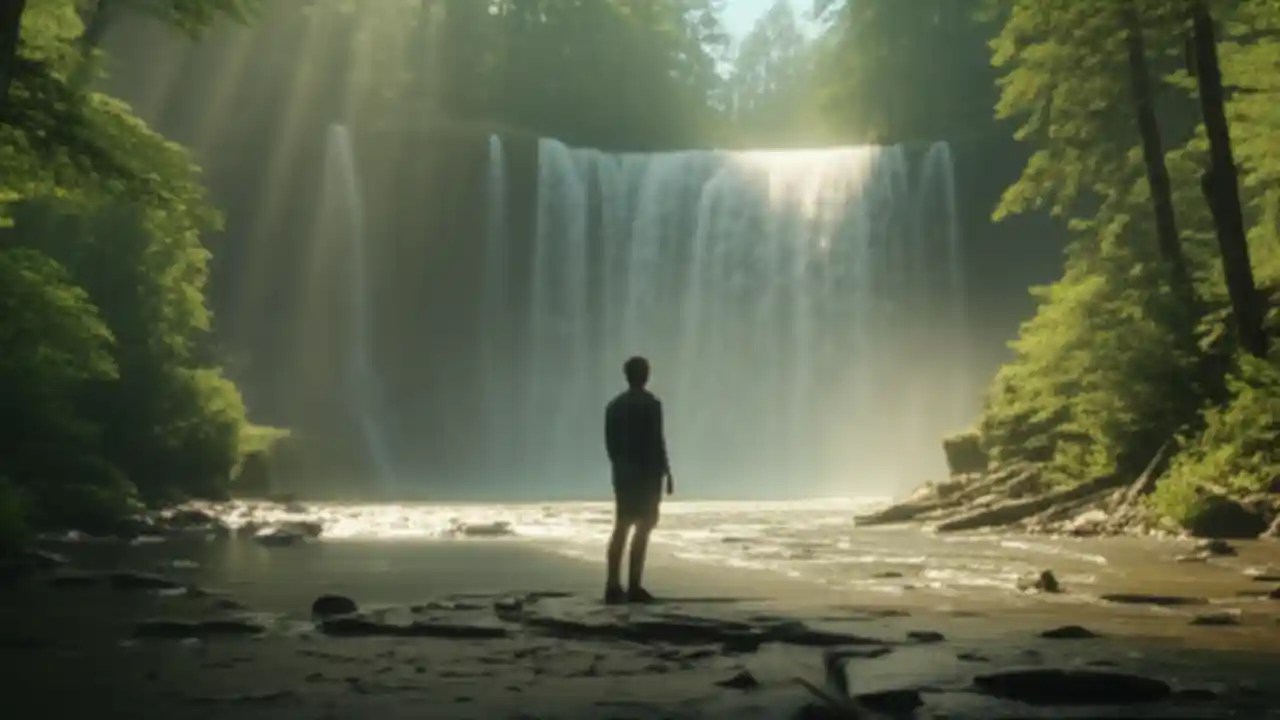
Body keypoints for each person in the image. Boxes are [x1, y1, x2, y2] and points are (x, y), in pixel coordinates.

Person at [603, 355, 673, 604]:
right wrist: (666, 472)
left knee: (621, 526)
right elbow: (657, 440)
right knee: (644, 527)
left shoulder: (614, 406)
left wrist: (620, 466)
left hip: (623, 474)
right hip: (647, 475)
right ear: (645, 375)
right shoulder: (652, 404)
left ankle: (612, 584)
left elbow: (610, 445)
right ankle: (634, 585)